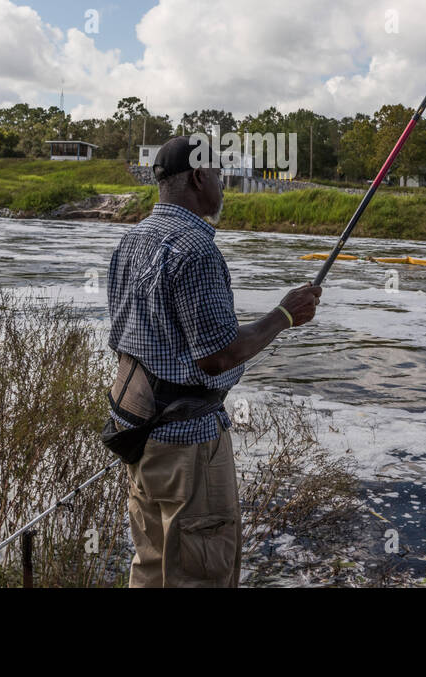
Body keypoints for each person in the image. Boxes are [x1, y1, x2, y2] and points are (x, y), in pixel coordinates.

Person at [105, 135, 320, 587]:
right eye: (220, 175)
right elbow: (218, 357)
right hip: (188, 444)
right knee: (201, 571)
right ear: (200, 177)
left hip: (137, 432)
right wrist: (284, 315)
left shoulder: (130, 240)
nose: (223, 185)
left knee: (150, 564)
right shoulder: (197, 249)